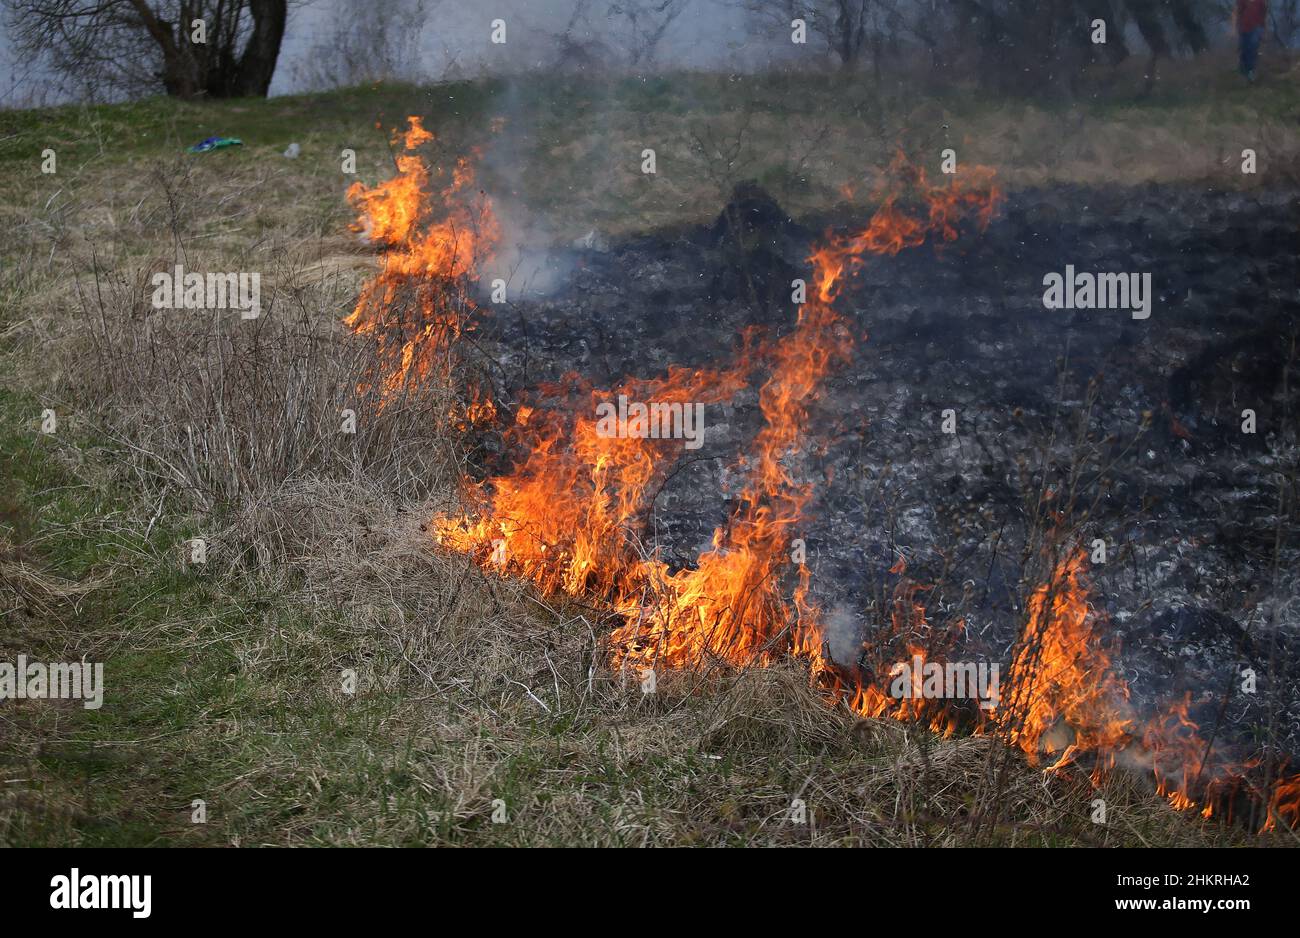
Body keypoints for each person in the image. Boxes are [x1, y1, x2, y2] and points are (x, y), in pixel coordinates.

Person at [1236, 0, 1268, 82]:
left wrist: (1264, 30)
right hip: (1245, 28)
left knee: (1253, 47)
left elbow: (1264, 14)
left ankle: (1251, 71)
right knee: (1245, 50)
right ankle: (1244, 68)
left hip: (1257, 28)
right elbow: (1238, 12)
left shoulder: (1261, 2)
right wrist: (1237, 27)